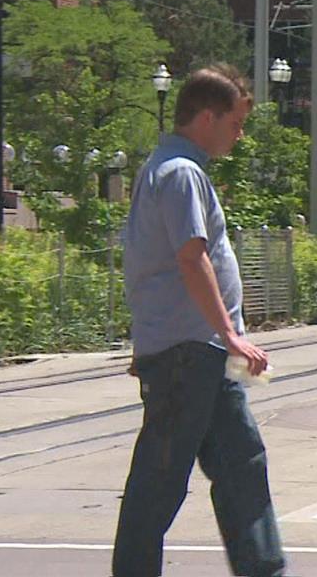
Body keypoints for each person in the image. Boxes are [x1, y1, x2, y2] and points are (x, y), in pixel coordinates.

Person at [113, 64, 286, 577]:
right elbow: (192, 256)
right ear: (207, 117)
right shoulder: (182, 173)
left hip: (202, 352)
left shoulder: (171, 168)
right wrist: (230, 334)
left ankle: (266, 570)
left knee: (242, 465)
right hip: (192, 353)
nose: (239, 133)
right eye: (234, 122)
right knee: (160, 479)